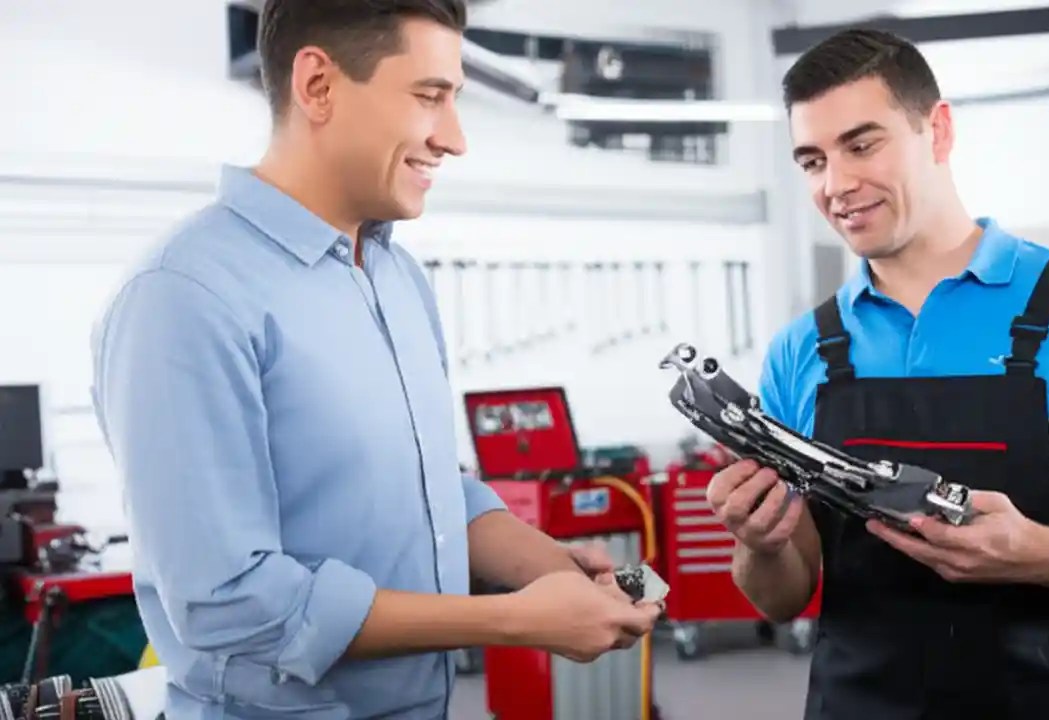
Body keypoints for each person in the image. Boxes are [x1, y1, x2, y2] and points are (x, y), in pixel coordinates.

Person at [89, 1, 660, 718]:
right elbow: (231, 602)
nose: (453, 139)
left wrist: (551, 569)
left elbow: (429, 491)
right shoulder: (184, 296)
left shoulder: (396, 278)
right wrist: (516, 620)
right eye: (430, 97)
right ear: (318, 85)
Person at [706, 27, 1049, 720]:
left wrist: (1034, 552)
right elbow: (782, 594)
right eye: (811, 160)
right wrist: (757, 541)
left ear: (937, 131)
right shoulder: (802, 348)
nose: (836, 185)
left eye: (862, 144)